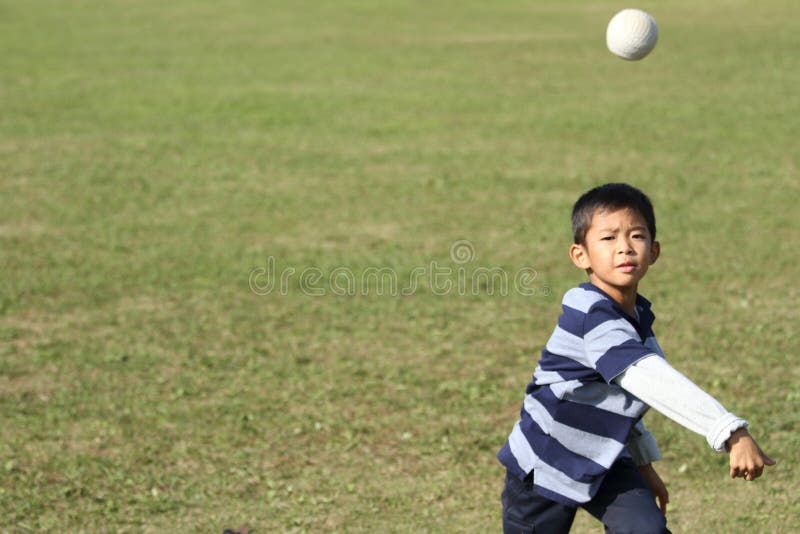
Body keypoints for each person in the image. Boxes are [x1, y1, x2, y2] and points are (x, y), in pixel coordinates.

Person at [497, 183, 775, 533]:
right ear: (579, 255)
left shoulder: (634, 315)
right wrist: (730, 430)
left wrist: (642, 466)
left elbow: (621, 400)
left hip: (605, 459)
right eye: (609, 238)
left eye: (637, 236)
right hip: (545, 462)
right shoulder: (591, 316)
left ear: (654, 251)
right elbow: (647, 379)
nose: (625, 248)